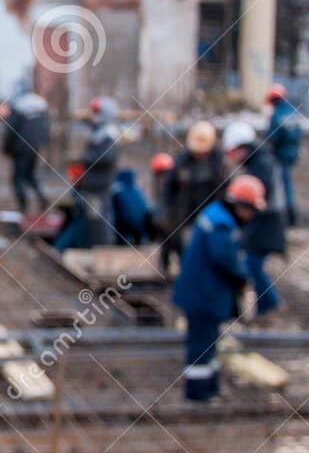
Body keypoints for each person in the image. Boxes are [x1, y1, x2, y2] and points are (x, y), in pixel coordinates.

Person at [171, 174, 265, 401]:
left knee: (208, 344)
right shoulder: (222, 225)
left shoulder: (215, 214)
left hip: (201, 294)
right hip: (204, 297)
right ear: (241, 205)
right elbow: (225, 259)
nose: (252, 216)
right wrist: (243, 279)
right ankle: (198, 395)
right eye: (251, 210)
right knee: (201, 347)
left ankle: (210, 388)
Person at [221, 120, 285, 317]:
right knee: (251, 263)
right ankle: (268, 304)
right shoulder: (258, 160)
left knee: (252, 264)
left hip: (268, 221)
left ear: (243, 147)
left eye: (234, 152)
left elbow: (259, 196)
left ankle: (270, 304)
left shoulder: (262, 163)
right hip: (263, 220)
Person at [158, 121, 224, 277]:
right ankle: (175, 266)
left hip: (209, 208)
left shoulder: (219, 162)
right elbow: (168, 187)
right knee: (172, 235)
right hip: (184, 207)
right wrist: (166, 210)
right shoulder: (182, 161)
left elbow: (223, 188)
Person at [71, 96, 122, 247]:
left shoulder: (108, 134)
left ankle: (104, 249)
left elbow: (106, 157)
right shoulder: (97, 132)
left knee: (100, 220)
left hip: (99, 185)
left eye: (97, 111)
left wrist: (84, 158)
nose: (93, 115)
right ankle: (95, 246)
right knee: (93, 219)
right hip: (91, 184)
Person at [1, 84, 51, 214]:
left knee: (17, 179)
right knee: (31, 176)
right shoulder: (41, 105)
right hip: (35, 147)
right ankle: (42, 195)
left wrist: (6, 148)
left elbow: (11, 130)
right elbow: (45, 128)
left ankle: (23, 207)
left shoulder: (18, 106)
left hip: (20, 149)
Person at [265, 84, 302, 227]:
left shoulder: (277, 115)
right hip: (291, 153)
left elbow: (273, 137)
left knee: (283, 186)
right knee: (287, 183)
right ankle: (291, 214)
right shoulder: (292, 112)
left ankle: (288, 215)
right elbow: (298, 133)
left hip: (280, 155)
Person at [109, 167, 153, 246]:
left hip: (126, 226)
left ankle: (121, 240)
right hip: (141, 228)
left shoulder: (116, 190)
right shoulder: (138, 190)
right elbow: (147, 208)